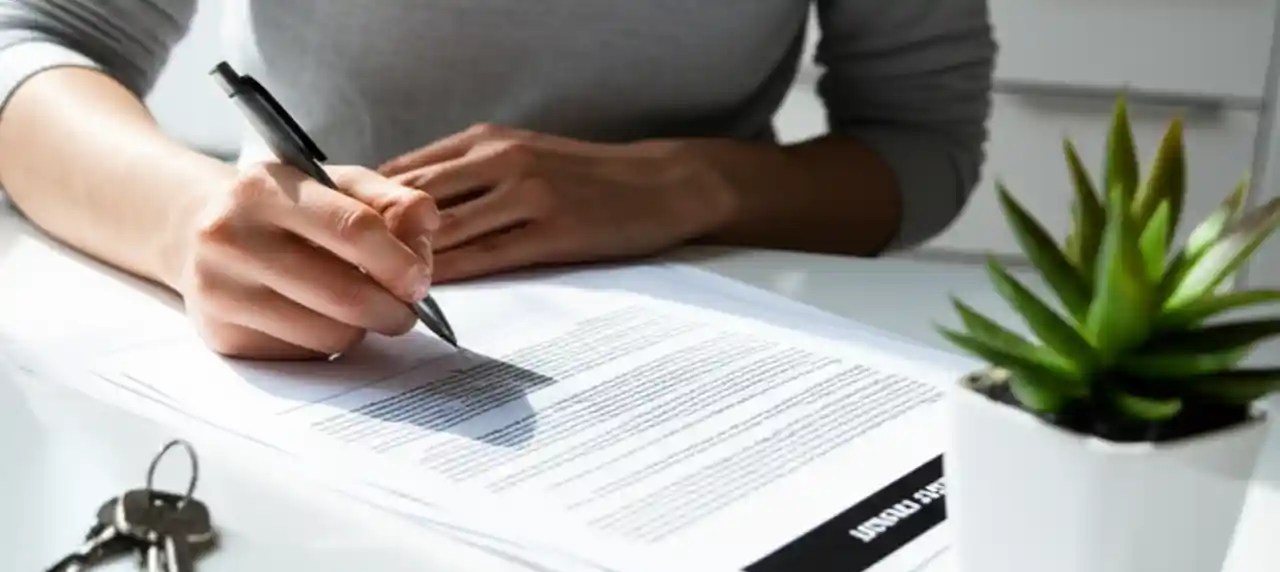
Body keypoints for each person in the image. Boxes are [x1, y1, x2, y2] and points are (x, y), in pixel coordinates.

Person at [0, 1, 995, 360]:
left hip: (710, 340)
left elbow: (921, 138)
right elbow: (31, 39)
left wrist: (693, 185)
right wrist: (183, 218)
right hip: (307, 332)